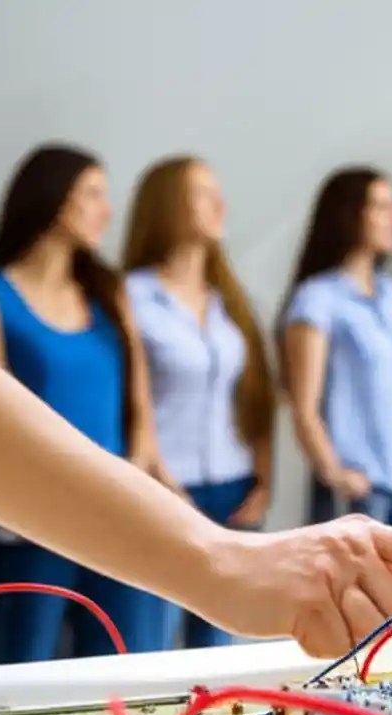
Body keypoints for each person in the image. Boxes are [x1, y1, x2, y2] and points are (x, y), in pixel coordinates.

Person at [0, 2, 392, 667]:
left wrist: (221, 546)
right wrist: (217, 556)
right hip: (90, 506)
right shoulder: (59, 293)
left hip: (141, 498)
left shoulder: (137, 298)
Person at [0, 144, 179, 662]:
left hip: (119, 517)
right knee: (24, 685)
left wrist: (140, 481)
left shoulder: (110, 294)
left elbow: (140, 407)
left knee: (130, 672)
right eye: (93, 194)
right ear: (55, 199)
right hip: (33, 523)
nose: (106, 211)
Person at [122, 155, 275, 649]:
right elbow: (130, 400)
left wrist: (264, 478)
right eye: (203, 193)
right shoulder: (132, 296)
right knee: (152, 647)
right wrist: (161, 480)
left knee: (218, 652)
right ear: (169, 205)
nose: (220, 204)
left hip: (232, 493)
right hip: (166, 490)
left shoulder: (229, 299)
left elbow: (257, 394)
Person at [280, 167, 392, 534]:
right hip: (362, 490)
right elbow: (304, 406)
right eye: (382, 207)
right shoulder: (317, 299)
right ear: (350, 215)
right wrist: (334, 472)